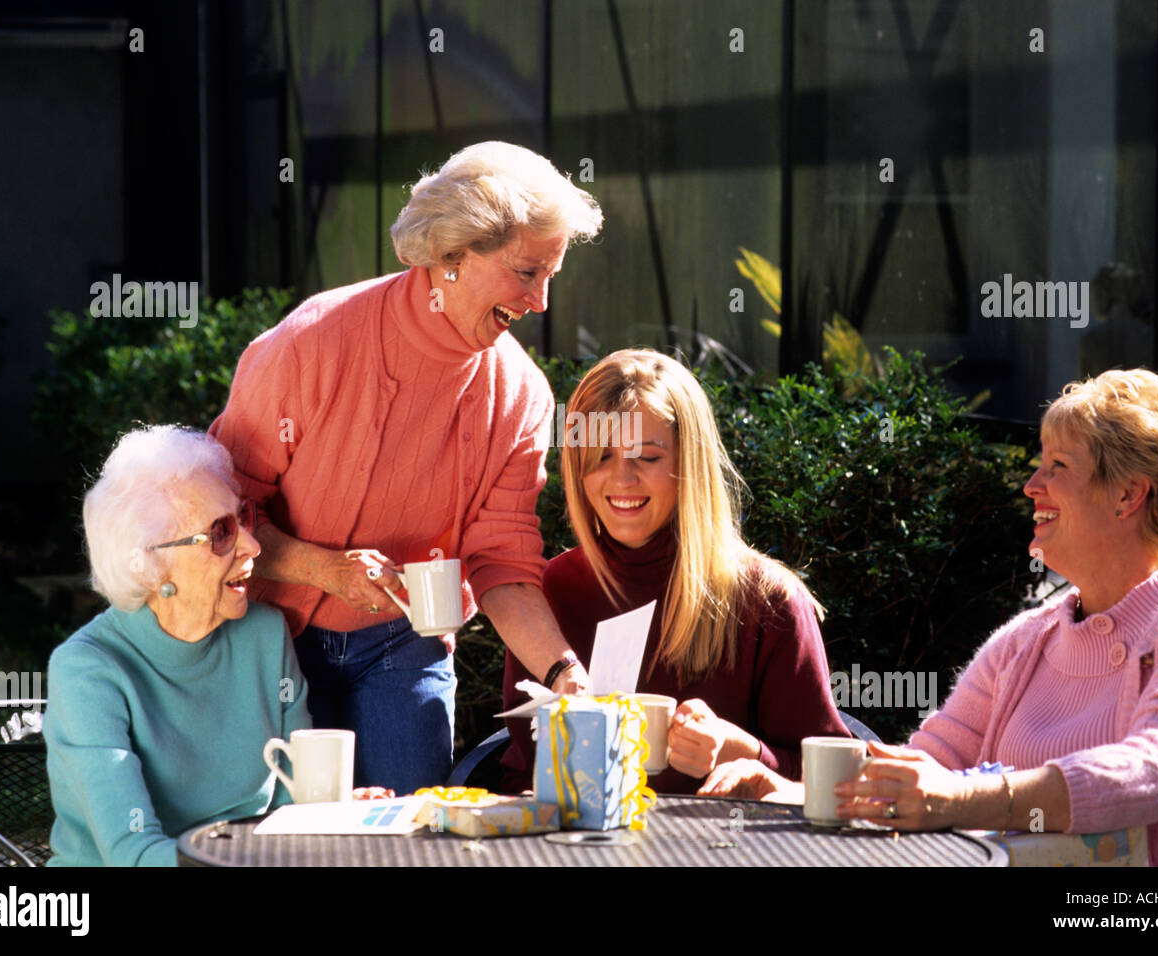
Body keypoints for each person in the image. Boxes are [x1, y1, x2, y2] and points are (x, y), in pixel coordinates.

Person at [702, 369, 1158, 866]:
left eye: (1058, 467)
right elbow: (922, 775)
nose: (1032, 485)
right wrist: (780, 787)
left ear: (1128, 494)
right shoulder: (1025, 642)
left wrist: (965, 799)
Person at [209, 142, 602, 793]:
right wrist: (324, 570)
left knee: (411, 838)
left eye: (551, 276)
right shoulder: (312, 343)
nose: (542, 302)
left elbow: (502, 560)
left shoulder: (521, 395)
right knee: (285, 841)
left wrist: (565, 677)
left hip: (404, 644)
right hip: (272, 638)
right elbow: (225, 520)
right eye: (528, 273)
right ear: (453, 254)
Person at [500, 349, 849, 795]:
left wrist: (738, 749)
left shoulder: (769, 600)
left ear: (690, 463)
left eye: (646, 458)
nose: (622, 479)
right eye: (600, 458)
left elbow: (833, 783)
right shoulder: (547, 592)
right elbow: (518, 772)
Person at [44, 426, 311, 866]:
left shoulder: (265, 636)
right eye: (221, 532)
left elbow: (295, 807)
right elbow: (133, 852)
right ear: (153, 566)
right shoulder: (86, 670)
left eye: (242, 518)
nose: (253, 545)